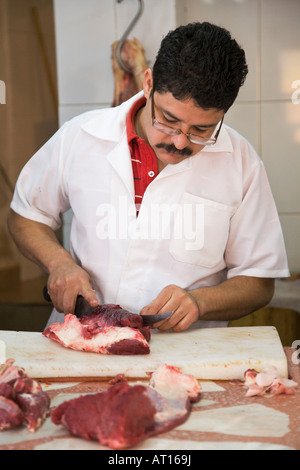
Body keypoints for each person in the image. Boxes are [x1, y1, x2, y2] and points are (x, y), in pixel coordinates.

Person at [8, 22, 289, 332]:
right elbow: (26, 216)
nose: (180, 142)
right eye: (169, 120)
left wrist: (201, 302)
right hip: (80, 341)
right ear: (148, 82)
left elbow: (259, 281)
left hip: (186, 360)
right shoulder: (81, 135)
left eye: (202, 130)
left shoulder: (242, 163)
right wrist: (57, 262)